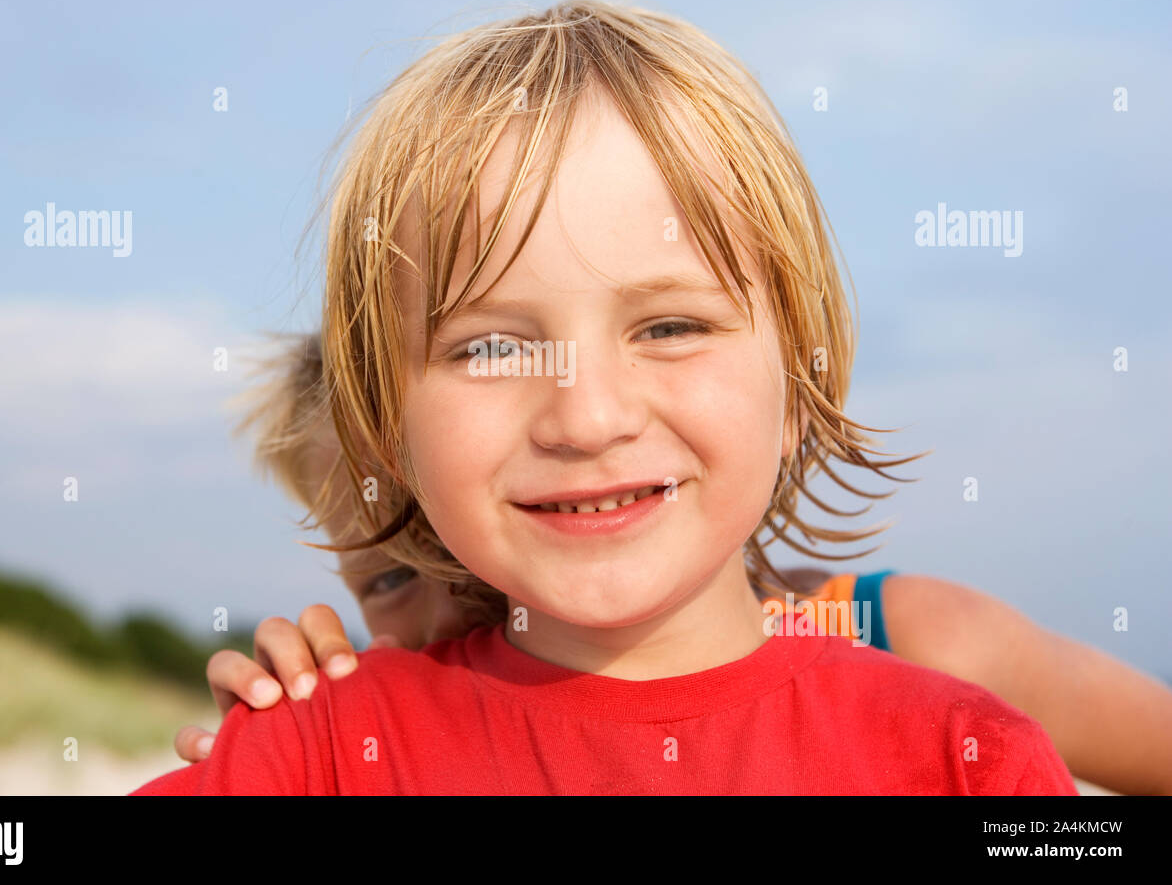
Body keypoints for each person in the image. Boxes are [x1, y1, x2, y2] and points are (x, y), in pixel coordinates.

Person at [135, 0, 1077, 794]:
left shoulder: (965, 762)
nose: (588, 419)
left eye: (670, 328)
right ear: (387, 429)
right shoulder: (320, 758)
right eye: (493, 347)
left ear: (800, 383)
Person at [178, 333, 1172, 796]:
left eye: (440, 542)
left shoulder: (915, 644)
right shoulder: (378, 727)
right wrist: (293, 736)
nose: (451, 589)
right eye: (388, 576)